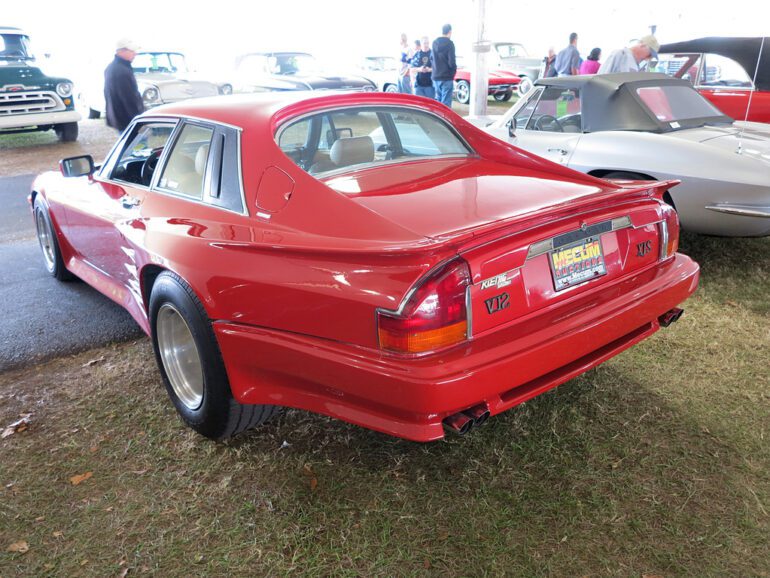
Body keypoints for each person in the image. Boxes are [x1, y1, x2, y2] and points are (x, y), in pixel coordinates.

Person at [104, 38, 144, 133]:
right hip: (127, 120)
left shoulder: (112, 67)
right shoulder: (121, 71)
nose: (135, 54)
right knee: (138, 142)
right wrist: (138, 120)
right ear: (121, 51)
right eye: (132, 51)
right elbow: (129, 99)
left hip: (121, 118)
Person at [431, 24, 457, 108]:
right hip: (446, 77)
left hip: (436, 76)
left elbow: (431, 58)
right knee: (446, 105)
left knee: (438, 103)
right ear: (450, 32)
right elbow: (451, 62)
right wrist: (453, 72)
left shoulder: (434, 43)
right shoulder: (450, 44)